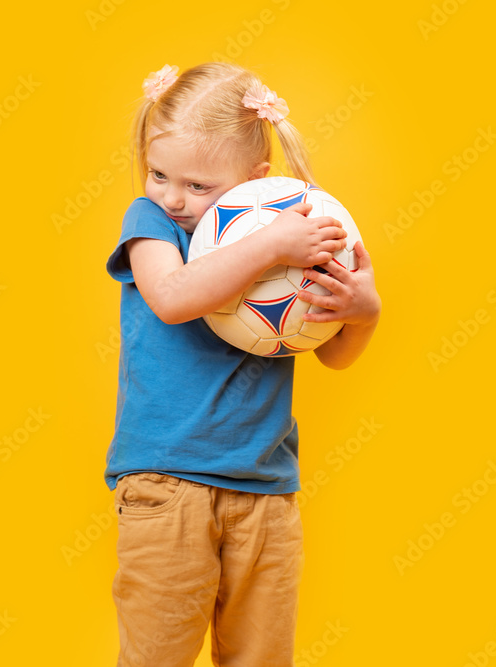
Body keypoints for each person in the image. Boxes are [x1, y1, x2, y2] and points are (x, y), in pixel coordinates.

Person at [105, 62, 381, 667]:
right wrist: (270, 246)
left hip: (266, 487)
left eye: (200, 187)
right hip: (167, 481)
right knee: (157, 654)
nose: (174, 197)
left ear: (255, 181)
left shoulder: (290, 228)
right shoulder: (151, 224)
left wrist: (362, 313)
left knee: (262, 657)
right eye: (159, 174)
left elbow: (333, 354)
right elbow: (173, 297)